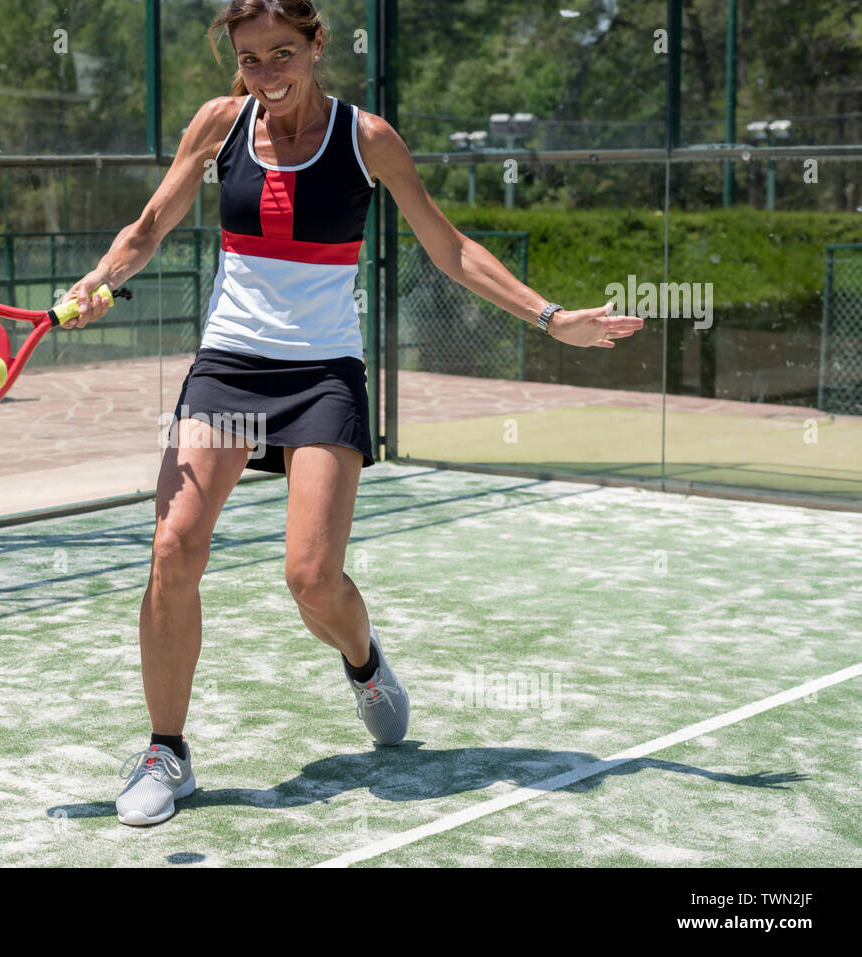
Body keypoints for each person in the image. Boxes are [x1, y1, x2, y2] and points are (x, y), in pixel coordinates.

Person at [63, 0, 644, 826]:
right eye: (251, 59)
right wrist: (99, 283)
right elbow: (151, 221)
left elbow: (451, 248)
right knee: (173, 546)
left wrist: (554, 319)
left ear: (316, 45)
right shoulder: (219, 124)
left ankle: (366, 663)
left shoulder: (365, 138)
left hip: (322, 375)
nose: (267, 74)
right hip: (228, 365)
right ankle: (167, 750)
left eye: (282, 54)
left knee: (310, 578)